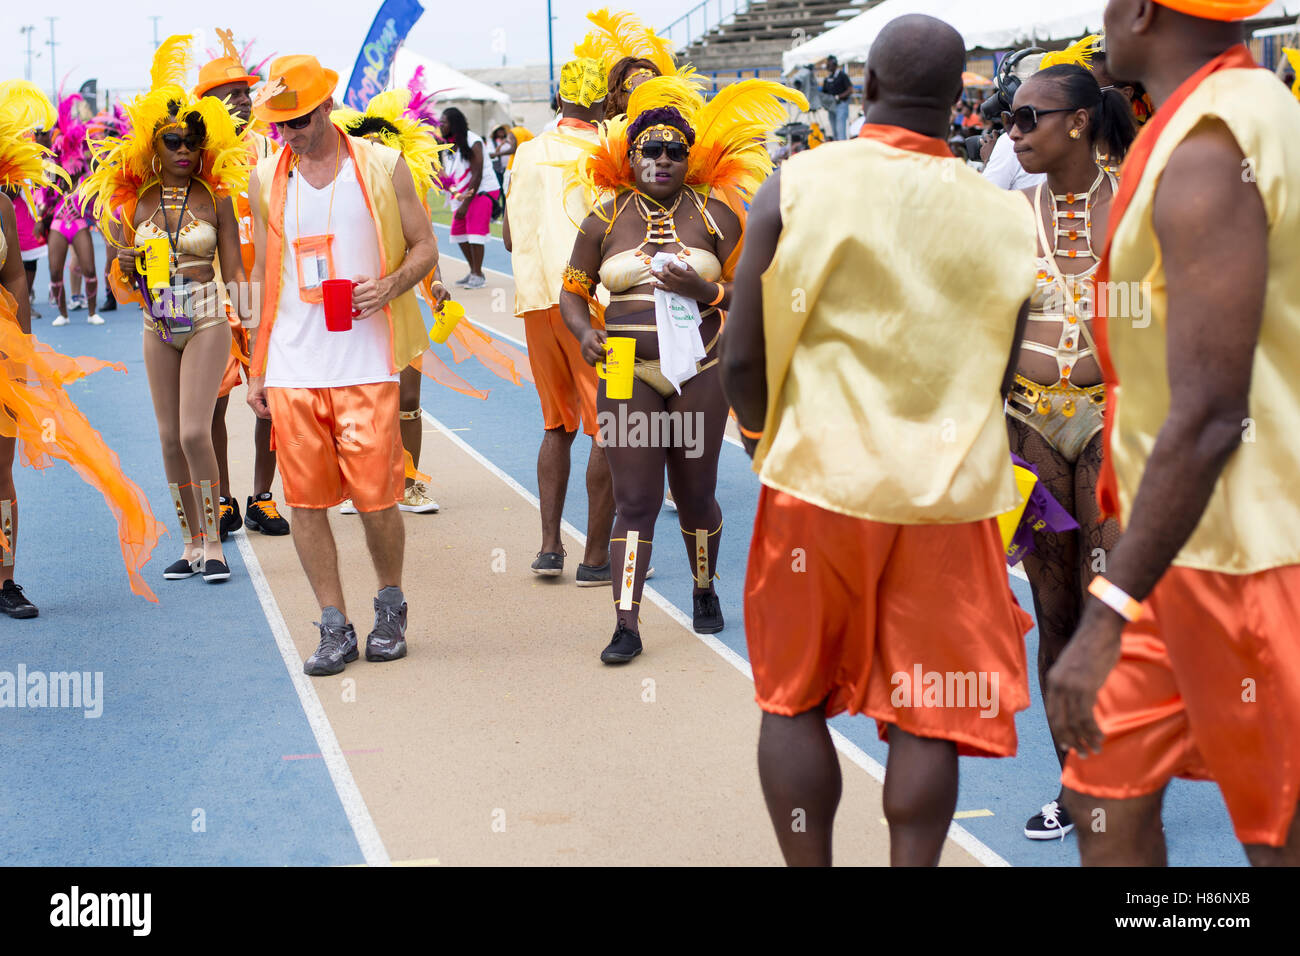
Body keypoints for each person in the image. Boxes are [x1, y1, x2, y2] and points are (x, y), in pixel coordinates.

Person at [722, 13, 1039, 866]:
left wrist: (760, 437)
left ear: (863, 87)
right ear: (960, 98)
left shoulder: (795, 183)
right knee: (929, 710)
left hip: (817, 485)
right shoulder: (1008, 215)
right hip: (949, 497)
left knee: (791, 700)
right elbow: (1004, 369)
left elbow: (742, 351)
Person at [1047, 0, 1300, 867]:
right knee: (1102, 794)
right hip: (1181, 546)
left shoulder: (1212, 147)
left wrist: (1107, 608)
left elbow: (1209, 412)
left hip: (1250, 552)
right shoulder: (1236, 112)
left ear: (1142, 11)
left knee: (1276, 836)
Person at [559, 74, 805, 663]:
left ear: (687, 160)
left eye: (675, 151)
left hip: (699, 365)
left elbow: (755, 295)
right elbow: (572, 292)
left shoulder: (719, 217)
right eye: (652, 149)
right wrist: (586, 330)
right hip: (622, 366)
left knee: (695, 496)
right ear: (632, 156)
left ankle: (703, 585)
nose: (663, 160)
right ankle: (626, 622)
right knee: (634, 500)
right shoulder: (602, 218)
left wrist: (705, 289)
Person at [245, 54, 438, 676]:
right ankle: (334, 624)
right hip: (293, 364)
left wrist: (390, 285)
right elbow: (260, 272)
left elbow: (425, 245)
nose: (291, 133)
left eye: (299, 119)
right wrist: (256, 364)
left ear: (327, 105)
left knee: (378, 500)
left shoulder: (381, 165)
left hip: (366, 362)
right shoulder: (266, 176)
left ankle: (390, 605)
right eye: (280, 124)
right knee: (304, 502)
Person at [1001, 60, 1136, 841]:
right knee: (1054, 610)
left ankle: (1126, 786)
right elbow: (989, 331)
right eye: (1009, 118)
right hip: (1031, 427)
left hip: (1113, 424)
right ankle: (1077, 787)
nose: (1013, 131)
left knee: (1107, 610)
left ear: (1078, 122)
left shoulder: (1137, 203)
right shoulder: (1009, 213)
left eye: (1028, 118)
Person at [82, 34, 251, 585]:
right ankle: (191, 542)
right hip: (157, 323)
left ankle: (218, 544)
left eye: (192, 141)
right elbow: (122, 279)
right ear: (153, 145)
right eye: (172, 140)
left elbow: (236, 271)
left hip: (205, 317)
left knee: (195, 434)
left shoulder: (217, 196)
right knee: (166, 437)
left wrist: (252, 330)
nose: (183, 149)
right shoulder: (136, 200)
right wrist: (126, 263)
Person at [0, 79, 166, 614]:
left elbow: (16, 283)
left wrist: (22, 352)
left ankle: (5, 577)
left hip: (1, 355)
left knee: (0, 475)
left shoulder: (3, 205)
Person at [503, 56, 615, 585]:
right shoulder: (606, 154)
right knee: (608, 427)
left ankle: (550, 548)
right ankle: (595, 559)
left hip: (536, 303)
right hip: (592, 306)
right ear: (600, 103)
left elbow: (508, 237)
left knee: (556, 426)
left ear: (560, 101)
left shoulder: (526, 154)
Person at [195, 28, 291, 541]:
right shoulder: (194, 156)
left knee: (268, 398)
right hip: (210, 294)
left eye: (244, 90)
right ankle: (225, 499)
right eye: (228, 91)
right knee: (212, 401)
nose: (240, 97)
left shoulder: (268, 149)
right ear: (206, 103)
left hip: (262, 293)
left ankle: (262, 496)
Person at [47, 94, 101, 326]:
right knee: (54, 271)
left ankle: (91, 313)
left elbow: (94, 193)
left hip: (78, 222)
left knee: (89, 267)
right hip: (59, 222)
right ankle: (62, 314)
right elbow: (44, 193)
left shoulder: (86, 173)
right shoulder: (54, 168)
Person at [572, 8, 678, 119]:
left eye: (656, 90)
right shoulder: (601, 134)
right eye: (638, 91)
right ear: (617, 98)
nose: (650, 98)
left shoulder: (680, 131)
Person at [438, 107, 500, 290]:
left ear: (454, 124)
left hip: (482, 191)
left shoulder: (474, 142)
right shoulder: (449, 145)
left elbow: (477, 174)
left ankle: (478, 274)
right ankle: (474, 271)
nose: (440, 125)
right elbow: (449, 174)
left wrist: (465, 204)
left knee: (475, 233)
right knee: (458, 234)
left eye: (444, 122)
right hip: (464, 194)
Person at [821, 56, 853, 141]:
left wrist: (839, 97)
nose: (828, 67)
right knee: (834, 131)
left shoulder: (842, 75)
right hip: (831, 107)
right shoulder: (828, 78)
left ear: (834, 64)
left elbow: (850, 89)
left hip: (841, 105)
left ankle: (842, 150)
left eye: (830, 64)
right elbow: (824, 92)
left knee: (840, 131)